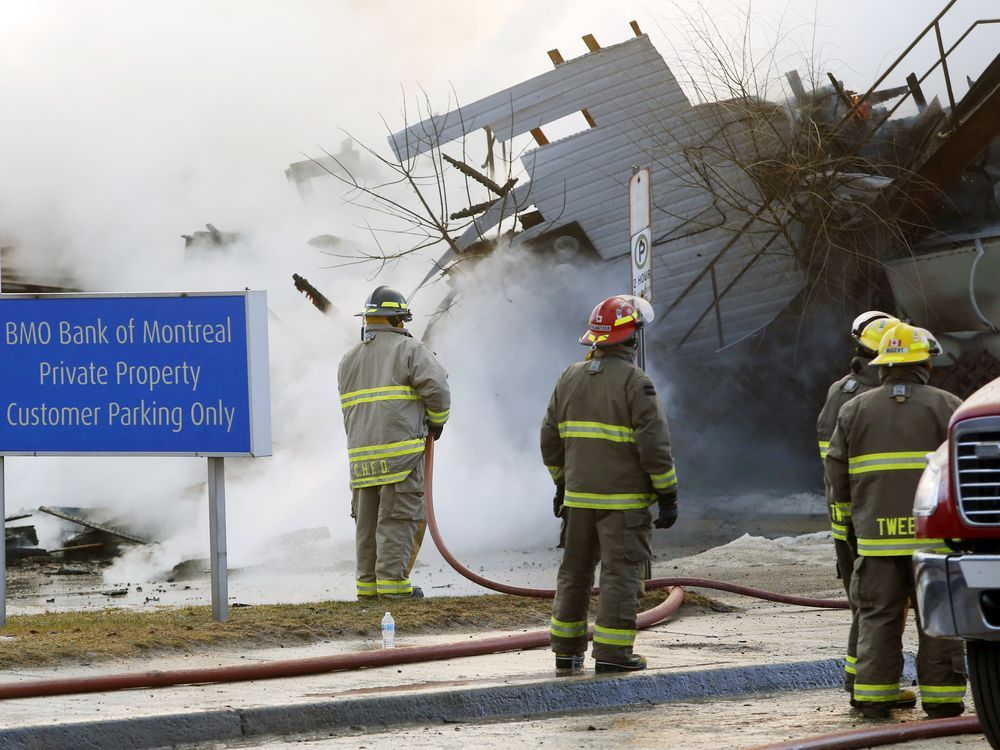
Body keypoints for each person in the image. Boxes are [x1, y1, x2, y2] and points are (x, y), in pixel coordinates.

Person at [826, 322, 966, 719]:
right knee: (939, 619)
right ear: (925, 363)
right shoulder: (949, 406)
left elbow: (836, 476)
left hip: (876, 541)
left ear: (883, 365)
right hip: (934, 542)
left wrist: (848, 532)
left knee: (878, 617)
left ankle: (873, 697)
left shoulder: (854, 409)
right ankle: (943, 700)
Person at [541, 295, 678, 674]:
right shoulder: (637, 383)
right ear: (632, 339)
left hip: (578, 502)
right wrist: (667, 494)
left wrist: (561, 484)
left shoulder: (569, 377)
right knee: (621, 573)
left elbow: (549, 438)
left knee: (574, 572)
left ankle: (566, 652)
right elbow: (655, 446)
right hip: (624, 505)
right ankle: (614, 653)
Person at [338, 285, 450, 601]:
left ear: (370, 320)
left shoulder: (348, 359)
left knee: (368, 527)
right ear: (399, 320)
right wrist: (437, 423)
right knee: (400, 521)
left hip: (361, 462)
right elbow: (438, 392)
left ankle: (368, 589)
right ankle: (394, 589)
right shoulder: (411, 350)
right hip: (401, 458)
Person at [816, 311, 901, 695]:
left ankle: (858, 679)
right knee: (877, 606)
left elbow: (831, 464)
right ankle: (869, 683)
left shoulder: (840, 391)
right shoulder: (879, 400)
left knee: (863, 603)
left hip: (844, 514)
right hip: (872, 516)